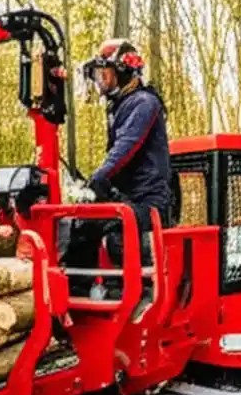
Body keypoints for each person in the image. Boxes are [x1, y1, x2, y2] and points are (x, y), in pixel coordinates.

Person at [59, 39, 172, 303]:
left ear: (122, 70)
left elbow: (125, 147)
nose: (100, 81)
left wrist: (100, 176)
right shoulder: (120, 106)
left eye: (105, 73)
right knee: (82, 225)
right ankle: (77, 292)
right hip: (127, 197)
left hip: (148, 201)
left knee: (118, 231)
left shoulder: (144, 103)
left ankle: (140, 294)